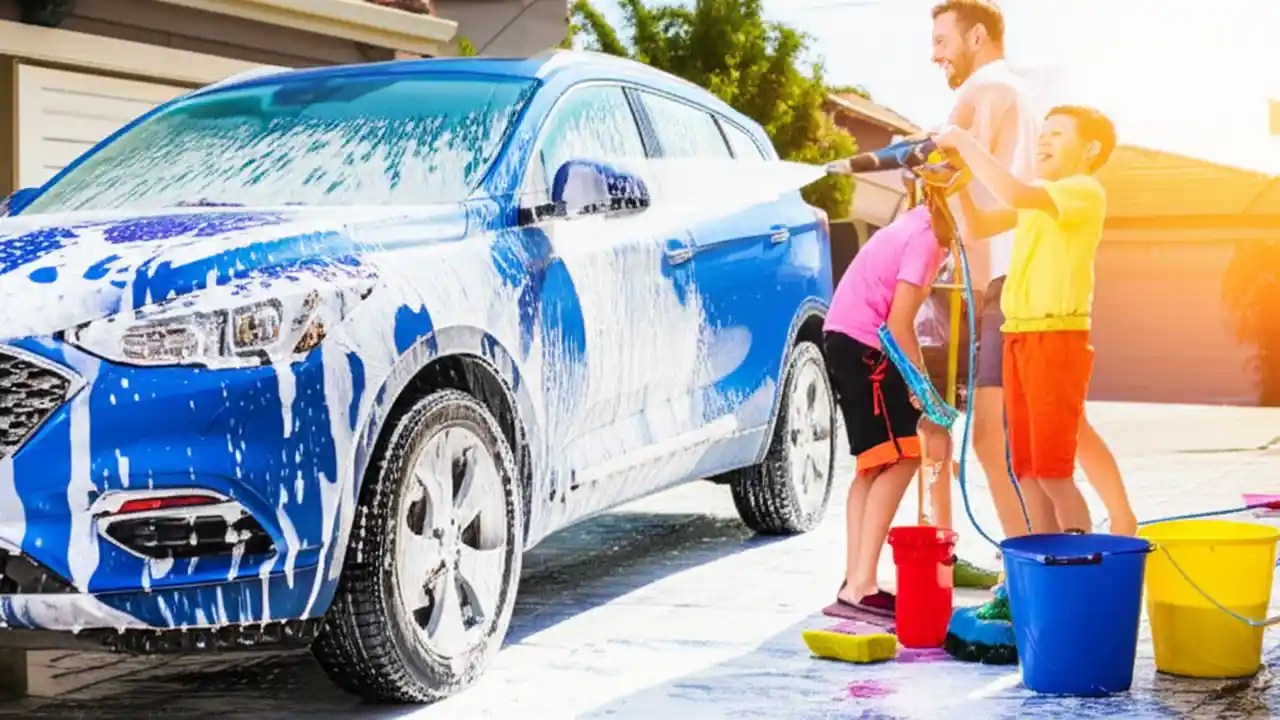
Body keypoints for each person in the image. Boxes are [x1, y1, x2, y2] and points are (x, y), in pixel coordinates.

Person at [928, 0, 1137, 540]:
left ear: (1089, 151)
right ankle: (1040, 564)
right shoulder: (1042, 196)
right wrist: (956, 192)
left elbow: (1017, 191)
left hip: (1053, 335)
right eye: (1043, 135)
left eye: (1057, 136)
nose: (1043, 141)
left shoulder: (1079, 192)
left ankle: (1082, 557)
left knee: (1050, 463)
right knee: (1027, 463)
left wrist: (966, 145)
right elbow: (987, 219)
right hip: (1020, 332)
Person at [821, 194, 954, 616]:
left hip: (844, 338)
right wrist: (926, 393)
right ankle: (862, 584)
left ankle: (854, 579)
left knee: (873, 464)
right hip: (866, 346)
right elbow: (898, 325)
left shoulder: (913, 223)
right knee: (902, 456)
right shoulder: (928, 238)